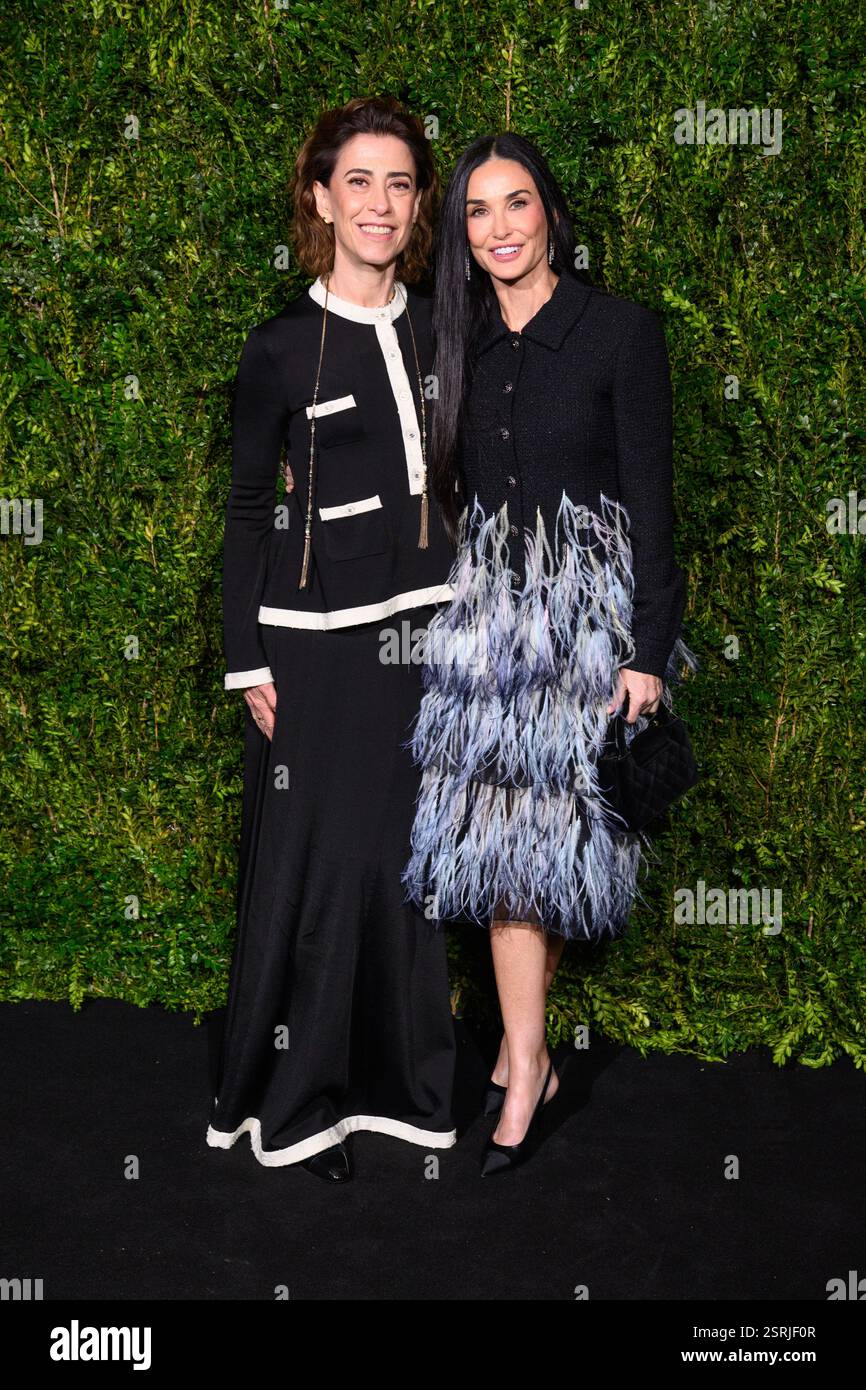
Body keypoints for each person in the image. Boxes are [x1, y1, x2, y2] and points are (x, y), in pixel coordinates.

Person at [401, 133, 698, 1175]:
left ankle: (522, 1059)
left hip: (587, 633)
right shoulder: (458, 342)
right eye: (476, 212)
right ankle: (527, 1063)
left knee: (552, 851)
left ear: (550, 213)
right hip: (487, 638)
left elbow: (654, 511)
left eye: (515, 204)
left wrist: (647, 654)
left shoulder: (618, 331)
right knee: (502, 857)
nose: (498, 230)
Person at [207, 96, 459, 1183]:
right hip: (310, 648)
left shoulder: (446, 326)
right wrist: (245, 654)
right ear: (319, 197)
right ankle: (300, 1102)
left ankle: (400, 1091)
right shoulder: (275, 347)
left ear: (416, 206)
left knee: (406, 871)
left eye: (398, 183)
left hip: (428, 642)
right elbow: (246, 508)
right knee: (317, 873)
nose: (378, 202)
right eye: (357, 181)